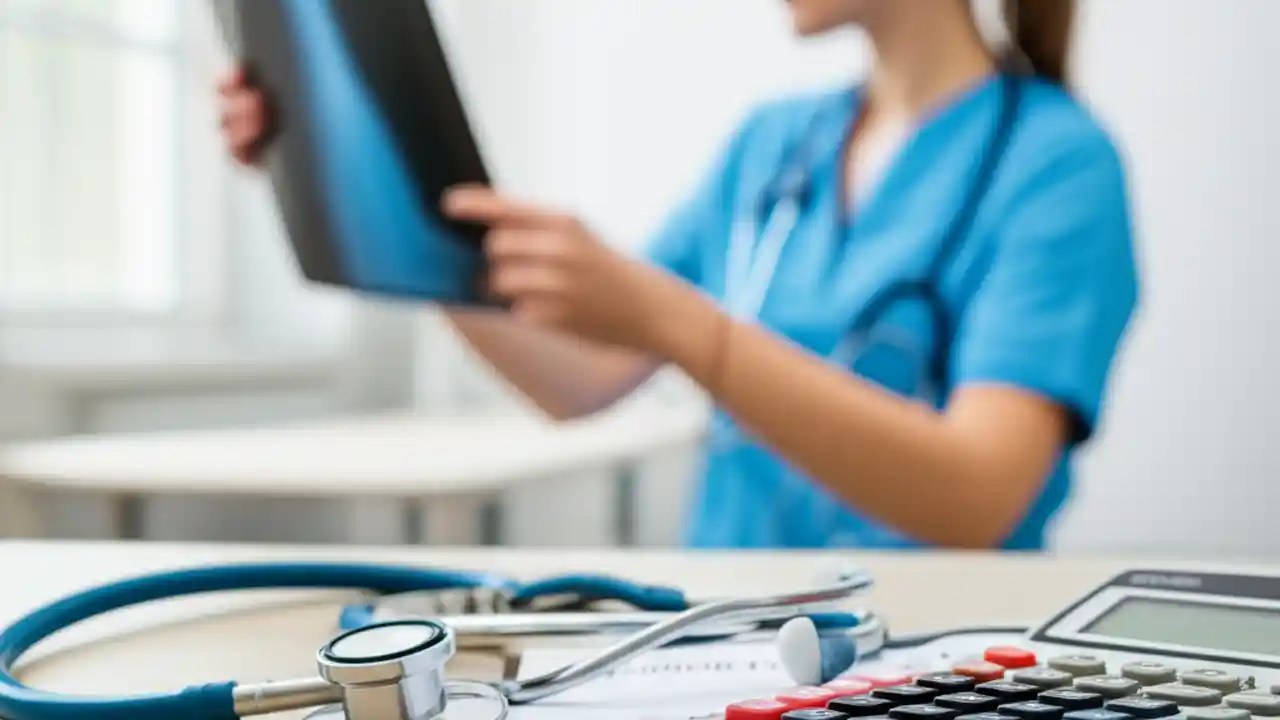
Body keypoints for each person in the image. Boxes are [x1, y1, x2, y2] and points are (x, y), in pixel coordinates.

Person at [218, 0, 1139, 550]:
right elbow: (577, 378)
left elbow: (977, 496)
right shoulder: (778, 144)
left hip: (937, 651)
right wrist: (372, 194)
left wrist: (685, 329)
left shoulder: (1057, 164)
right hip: (734, 633)